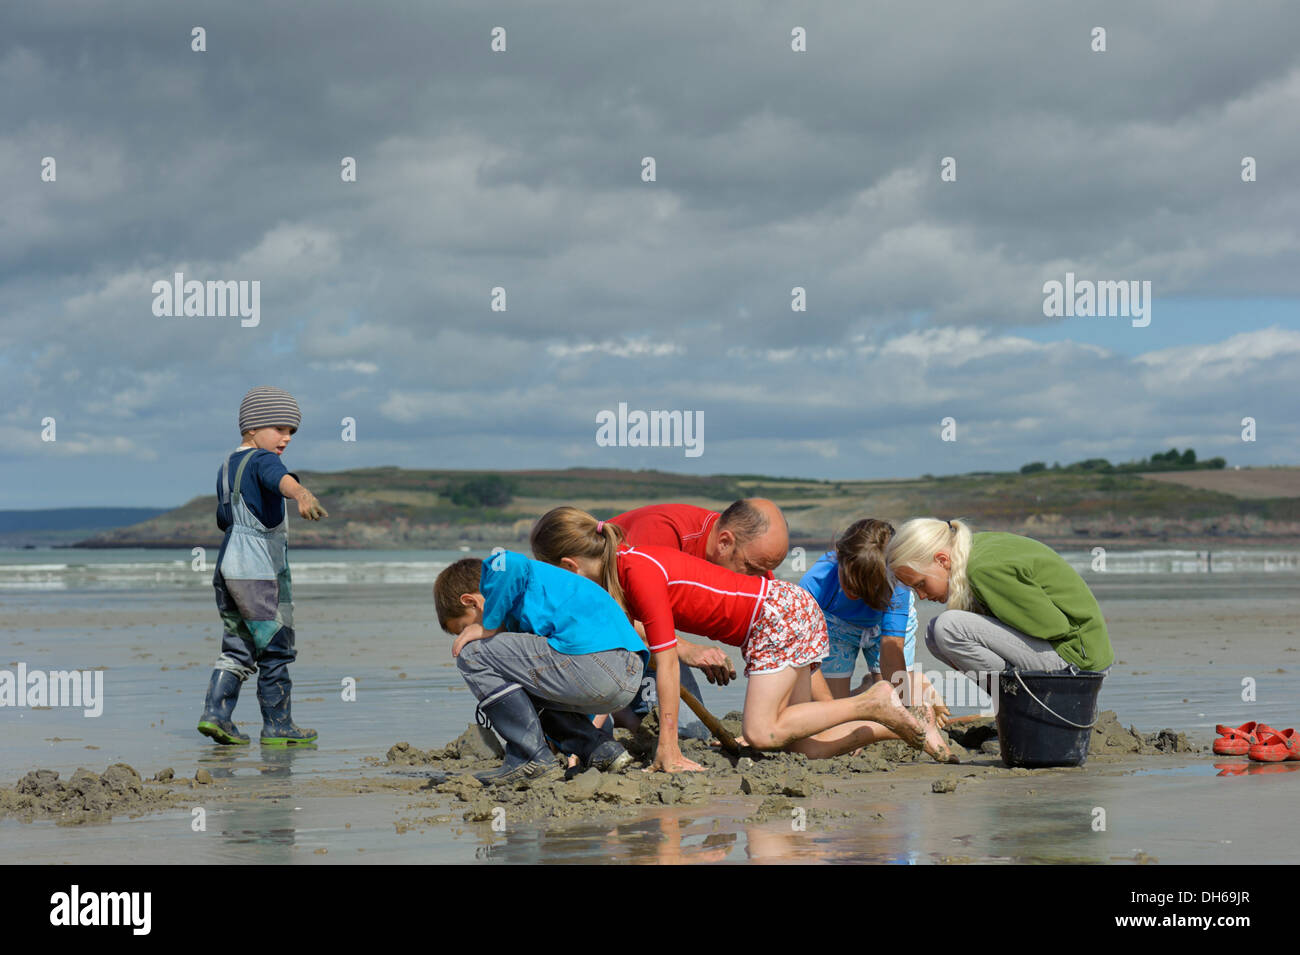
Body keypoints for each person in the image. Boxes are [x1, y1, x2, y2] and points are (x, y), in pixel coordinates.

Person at [531, 507, 951, 762]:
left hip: (776, 616)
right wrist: (589, 733)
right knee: (802, 744)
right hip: (787, 612)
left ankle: (873, 699)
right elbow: (621, 660)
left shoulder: (638, 569)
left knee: (762, 732)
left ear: (570, 567)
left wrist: (669, 747)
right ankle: (899, 725)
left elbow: (665, 665)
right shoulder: (621, 577)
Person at [433, 551, 648, 784]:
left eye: (464, 628)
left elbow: (510, 561)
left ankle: (528, 758)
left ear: (471, 601)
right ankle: (600, 750)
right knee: (521, 682)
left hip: (598, 664)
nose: (469, 635)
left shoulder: (499, 575)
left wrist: (488, 625)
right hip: (624, 677)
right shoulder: (533, 605)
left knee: (471, 655)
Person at [197, 386, 328, 747]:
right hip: (258, 569)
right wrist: (301, 494)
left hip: (228, 565)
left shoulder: (228, 465)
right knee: (276, 645)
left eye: (292, 432)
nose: (286, 438)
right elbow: (279, 479)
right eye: (279, 428)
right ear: (252, 428)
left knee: (237, 645)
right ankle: (278, 726)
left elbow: (225, 518)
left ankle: (215, 715)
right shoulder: (263, 460)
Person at [886, 519, 1114, 699]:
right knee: (934, 634)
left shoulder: (983, 569)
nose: (922, 596)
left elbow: (1054, 627)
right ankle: (1018, 706)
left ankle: (1022, 707)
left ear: (942, 560)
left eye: (920, 584)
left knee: (948, 628)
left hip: (1078, 662)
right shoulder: (974, 548)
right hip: (1073, 653)